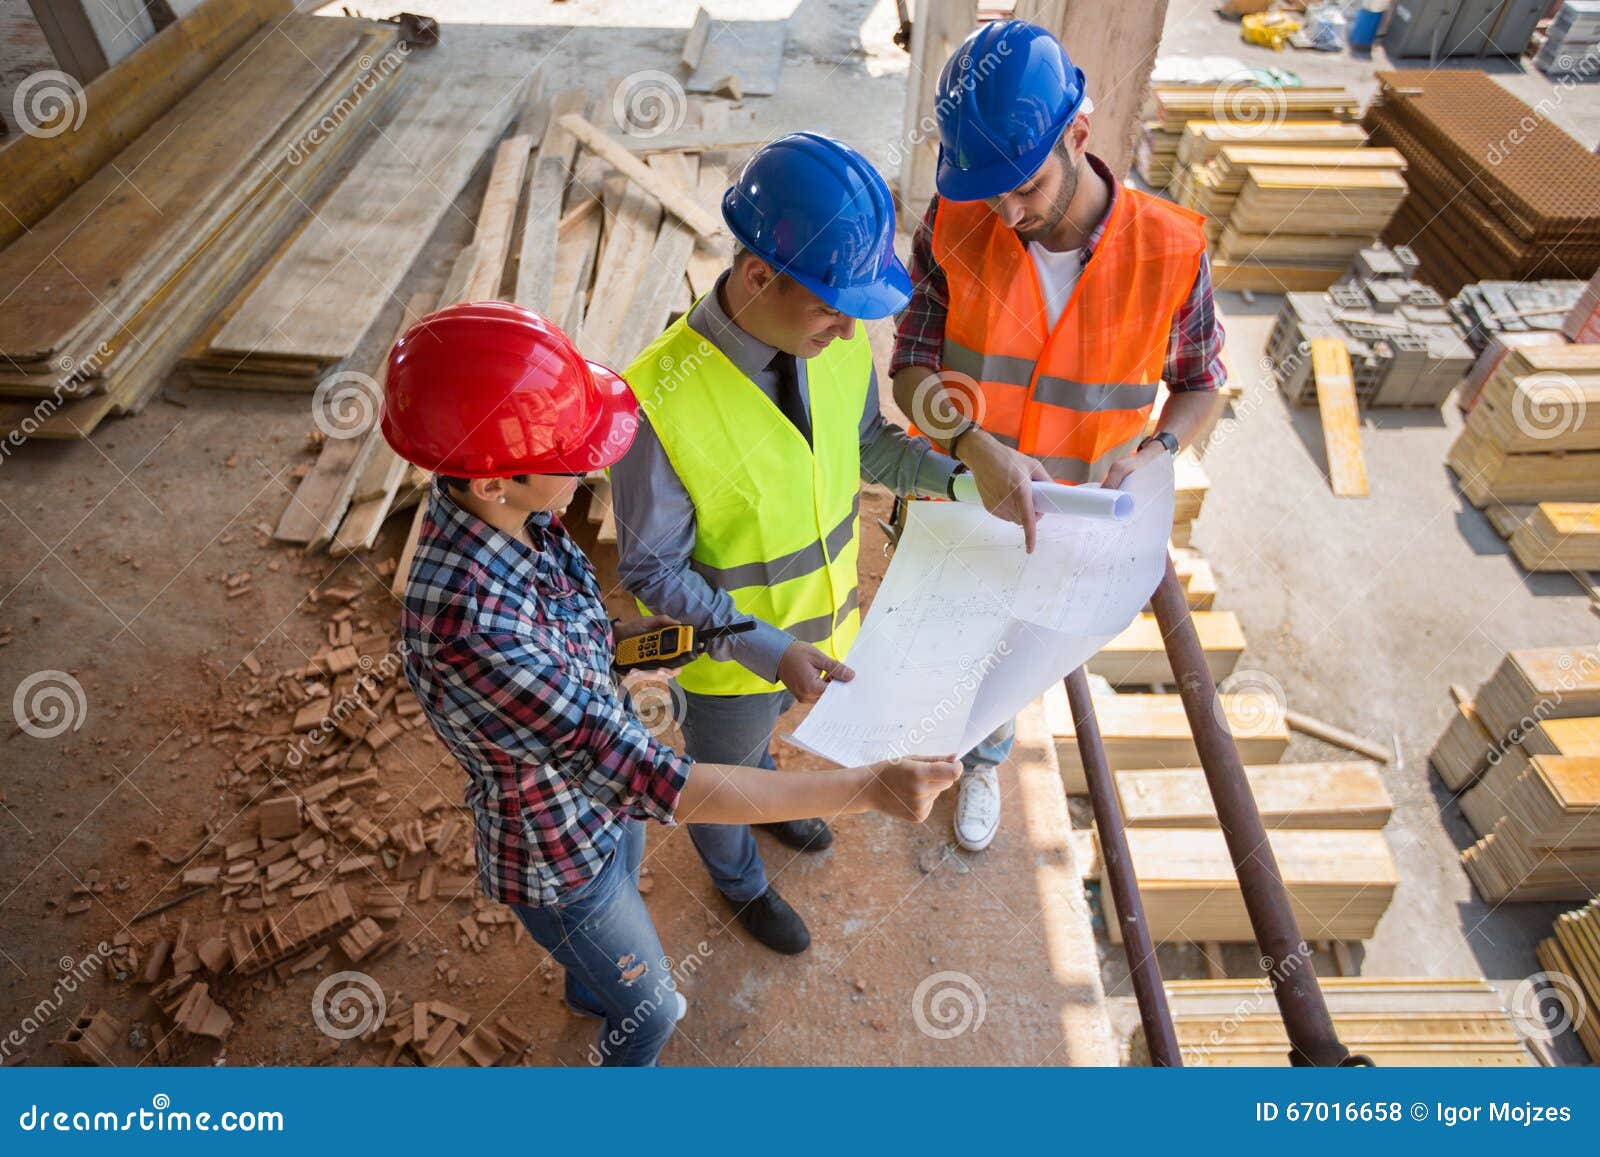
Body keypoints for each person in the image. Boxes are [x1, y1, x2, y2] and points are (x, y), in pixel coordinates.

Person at [381, 301, 959, 1066]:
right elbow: (668, 783)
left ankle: (593, 987)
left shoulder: (509, 512)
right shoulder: (473, 629)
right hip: (557, 850)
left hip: (598, 807)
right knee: (652, 1011)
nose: (588, 466)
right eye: (569, 455)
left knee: (609, 962)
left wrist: (631, 644)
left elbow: (573, 642)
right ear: (495, 481)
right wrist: (868, 789)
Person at [610, 133, 966, 957]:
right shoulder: (658, 397)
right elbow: (651, 568)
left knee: (773, 752)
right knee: (726, 779)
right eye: (832, 308)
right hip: (730, 662)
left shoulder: (828, 344)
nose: (849, 334)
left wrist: (963, 481)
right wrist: (769, 650)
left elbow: (871, 444)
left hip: (821, 632)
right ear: (758, 275)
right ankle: (739, 881)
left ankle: (780, 801)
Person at [891, 20, 1225, 853]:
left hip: (1069, 523)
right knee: (940, 638)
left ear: (1078, 134)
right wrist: (974, 446)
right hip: (958, 498)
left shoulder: (1169, 251)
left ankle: (984, 758)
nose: (1007, 213)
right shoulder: (955, 219)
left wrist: (1160, 451)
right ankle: (927, 746)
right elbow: (909, 370)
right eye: (990, 193)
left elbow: (1201, 384)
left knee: (1016, 656)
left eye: (1027, 188)